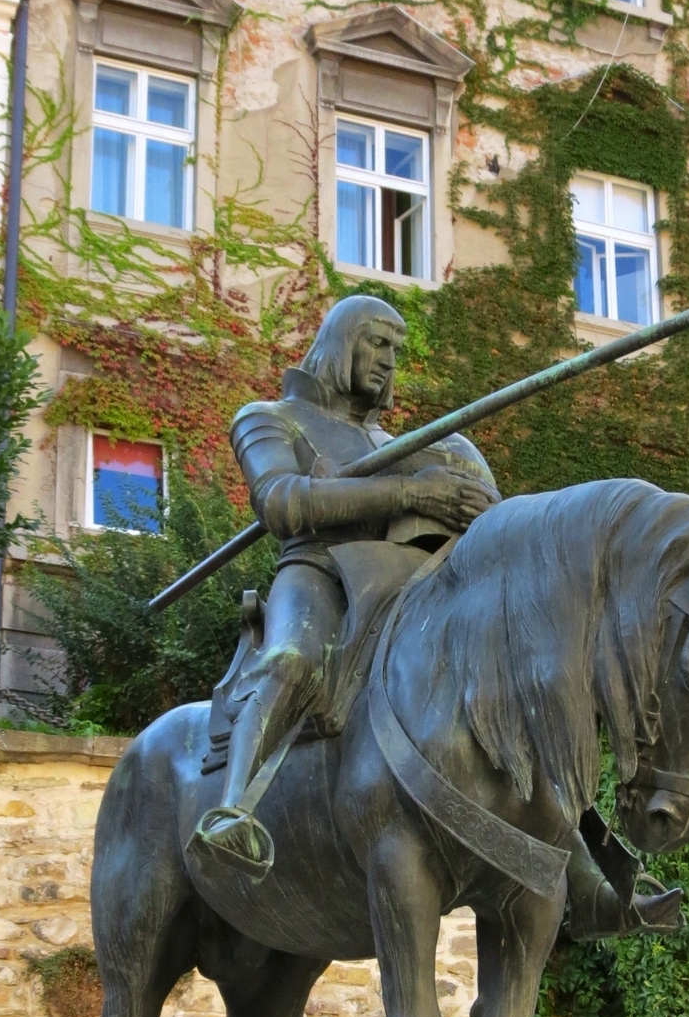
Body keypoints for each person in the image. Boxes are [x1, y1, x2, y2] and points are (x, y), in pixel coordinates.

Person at [193, 294, 497, 875]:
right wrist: (411, 492)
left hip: (407, 582)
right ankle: (231, 814)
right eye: (376, 343)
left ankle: (584, 862)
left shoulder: (402, 445)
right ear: (340, 341)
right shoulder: (269, 417)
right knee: (293, 657)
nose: (388, 360)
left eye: (397, 350)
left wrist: (468, 500)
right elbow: (280, 502)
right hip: (319, 571)